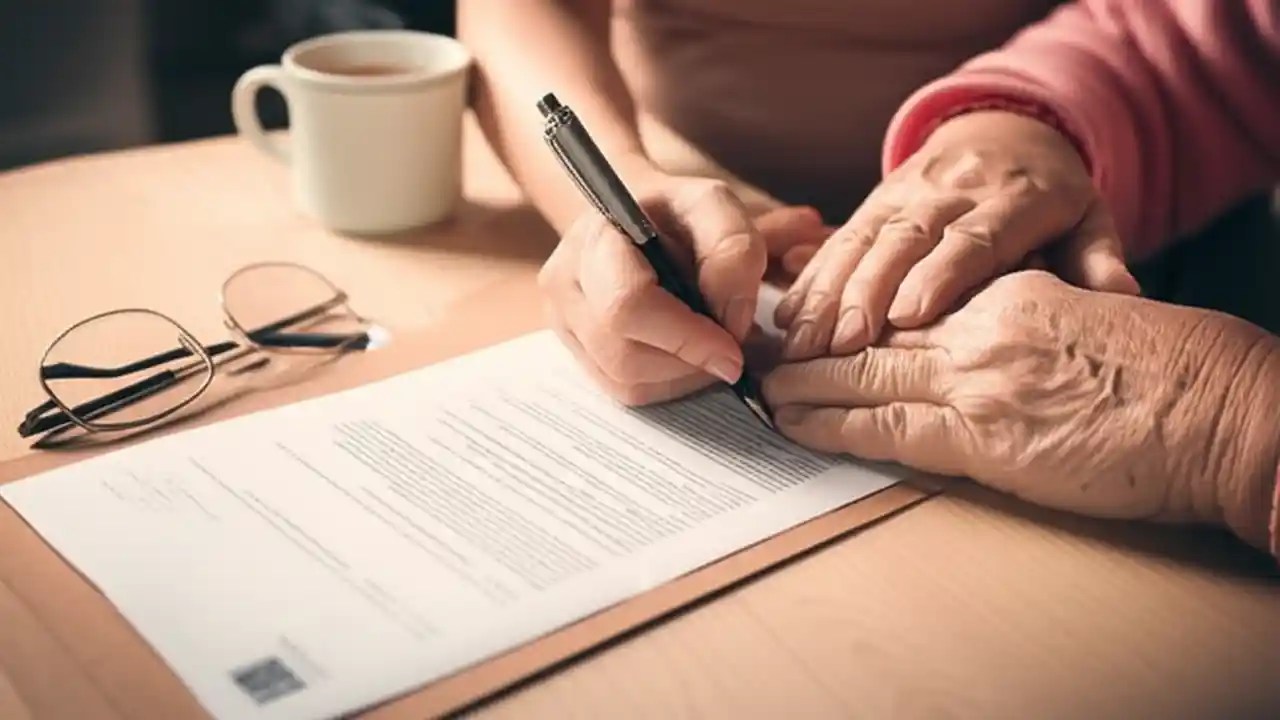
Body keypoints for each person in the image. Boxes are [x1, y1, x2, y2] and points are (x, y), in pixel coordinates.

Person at [460, 1, 1280, 555]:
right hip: (742, 204)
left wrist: (1232, 426)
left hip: (1157, 272)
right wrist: (1020, 122)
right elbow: (1225, 34)